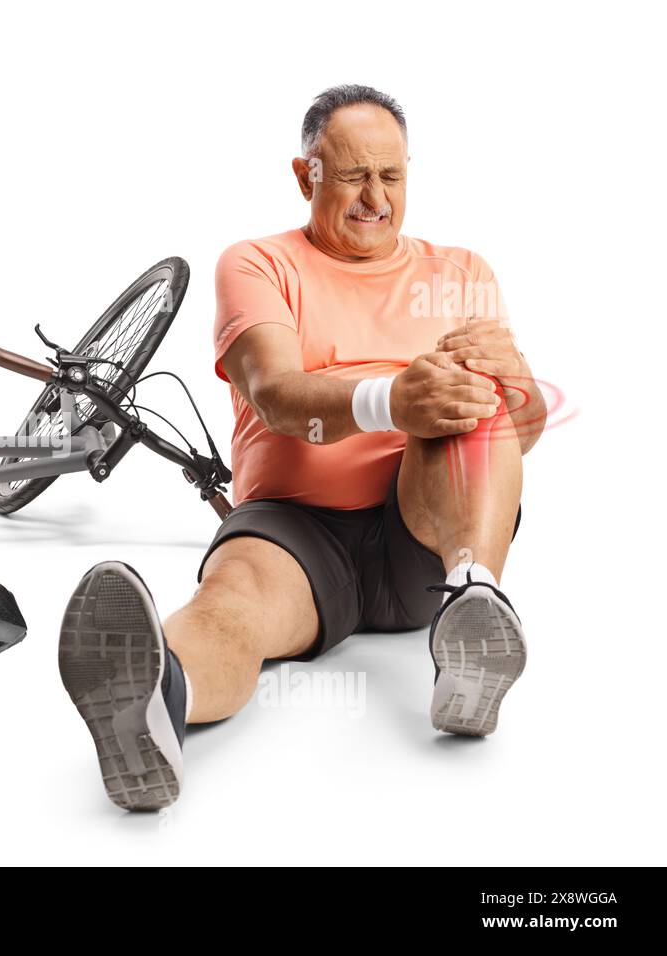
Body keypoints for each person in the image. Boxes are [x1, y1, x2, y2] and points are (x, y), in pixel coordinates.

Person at [58, 84, 546, 811]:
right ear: (305, 174)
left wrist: (520, 386)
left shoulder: (461, 272)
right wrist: (392, 400)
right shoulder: (256, 264)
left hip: (425, 534)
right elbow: (276, 395)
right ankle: (158, 702)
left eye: (392, 176)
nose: (375, 198)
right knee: (232, 606)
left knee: (468, 403)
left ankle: (472, 603)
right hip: (296, 529)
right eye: (353, 176)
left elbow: (519, 433)